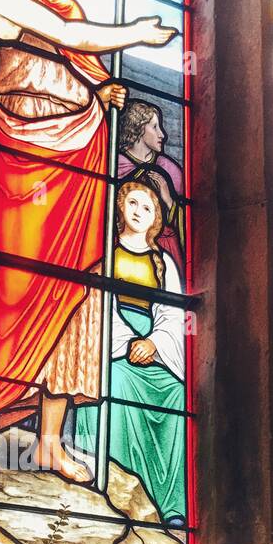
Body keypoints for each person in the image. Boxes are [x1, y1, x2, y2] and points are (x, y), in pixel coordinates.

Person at [0, 0, 175, 483]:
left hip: (80, 149)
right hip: (25, 147)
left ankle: (50, 439)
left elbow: (79, 59)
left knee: (76, 291)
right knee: (16, 283)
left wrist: (104, 85)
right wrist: (136, 33)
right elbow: (69, 38)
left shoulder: (67, 2)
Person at [75, 183, 185, 524]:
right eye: (133, 202)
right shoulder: (104, 251)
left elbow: (173, 312)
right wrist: (125, 344)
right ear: (120, 206)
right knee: (114, 380)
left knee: (176, 394)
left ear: (155, 219)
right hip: (111, 340)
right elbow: (95, 302)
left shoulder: (162, 261)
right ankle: (108, 483)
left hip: (152, 344)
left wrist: (153, 342)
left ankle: (170, 503)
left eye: (148, 207)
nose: (139, 211)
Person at [117, 99, 184, 268]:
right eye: (155, 127)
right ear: (138, 128)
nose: (162, 134)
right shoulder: (115, 165)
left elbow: (187, 224)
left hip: (165, 250)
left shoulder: (170, 169)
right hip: (120, 245)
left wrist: (168, 200)